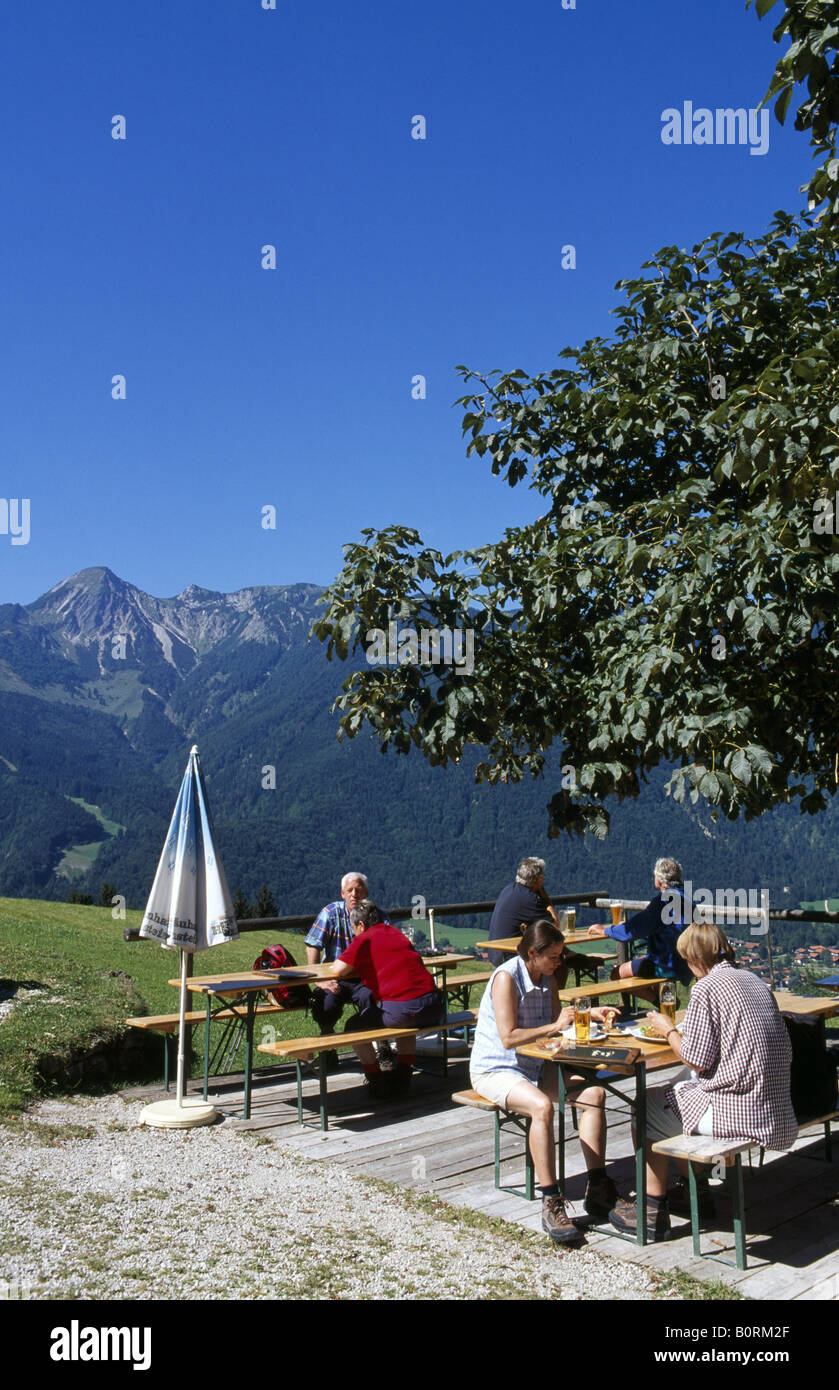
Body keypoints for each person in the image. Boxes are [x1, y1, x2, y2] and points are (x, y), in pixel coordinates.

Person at [608, 921, 798, 1242]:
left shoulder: (706, 988)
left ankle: (653, 1210)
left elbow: (696, 1057)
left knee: (645, 1107)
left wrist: (667, 1028)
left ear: (694, 958)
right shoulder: (755, 982)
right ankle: (695, 1192)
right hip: (774, 1105)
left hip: (739, 1113)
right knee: (679, 1089)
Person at [470, 918, 619, 1245]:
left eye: (561, 956)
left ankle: (598, 1185)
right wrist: (556, 1026)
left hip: (536, 1064)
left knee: (592, 1094)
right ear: (533, 954)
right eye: (554, 956)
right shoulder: (506, 979)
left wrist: (586, 1013)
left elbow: (557, 1023)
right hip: (497, 1068)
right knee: (541, 1107)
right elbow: (508, 1038)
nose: (559, 962)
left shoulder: (548, 978)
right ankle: (551, 1198)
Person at [329, 899, 445, 1097]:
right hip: (435, 1006)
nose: (353, 933)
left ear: (361, 925)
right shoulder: (395, 933)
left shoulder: (363, 939)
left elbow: (337, 969)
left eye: (353, 928)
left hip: (404, 1012)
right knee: (406, 1019)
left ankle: (376, 1080)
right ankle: (403, 1076)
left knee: (353, 1027)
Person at [304, 872, 383, 1071]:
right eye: (349, 890)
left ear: (366, 892)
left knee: (372, 999)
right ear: (342, 893)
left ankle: (380, 1047)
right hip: (334, 977)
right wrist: (319, 979)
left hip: (363, 978)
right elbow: (313, 945)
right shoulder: (330, 913)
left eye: (358, 889)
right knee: (326, 1003)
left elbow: (386, 942)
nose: (354, 894)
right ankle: (327, 1046)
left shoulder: (375, 914)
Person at [588, 856, 693, 999]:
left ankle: (659, 1002)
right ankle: (666, 1003)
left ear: (658, 881)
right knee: (646, 961)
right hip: (686, 963)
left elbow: (633, 930)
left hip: (668, 965)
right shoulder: (687, 900)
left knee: (616, 974)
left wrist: (606, 930)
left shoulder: (662, 903)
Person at [487, 857, 561, 969]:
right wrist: (545, 896)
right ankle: (551, 986)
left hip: (496, 955)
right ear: (538, 880)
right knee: (556, 961)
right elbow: (554, 926)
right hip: (509, 958)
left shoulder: (508, 889)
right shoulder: (529, 899)